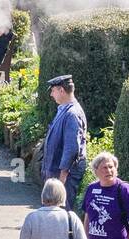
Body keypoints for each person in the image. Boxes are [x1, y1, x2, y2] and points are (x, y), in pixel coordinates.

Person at [41, 75, 87, 212]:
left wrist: (62, 178)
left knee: (61, 212)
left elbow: (71, 148)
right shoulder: (65, 110)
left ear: (61, 90)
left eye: (53, 90)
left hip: (63, 175)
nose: (51, 94)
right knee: (53, 212)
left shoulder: (72, 113)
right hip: (56, 172)